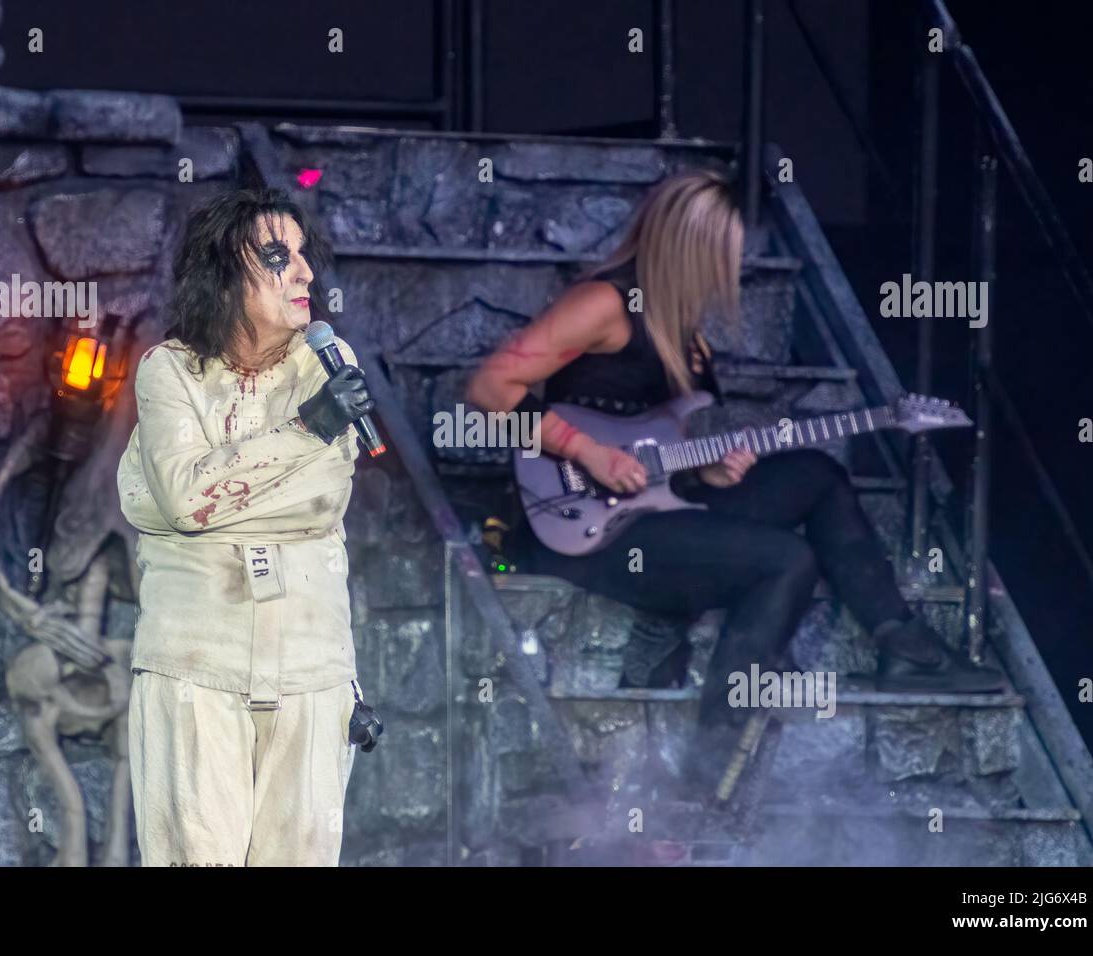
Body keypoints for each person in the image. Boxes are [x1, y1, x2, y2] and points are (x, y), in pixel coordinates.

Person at [465, 169, 1004, 786]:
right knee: (787, 560)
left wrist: (707, 473)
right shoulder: (605, 304)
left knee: (817, 474)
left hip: (653, 514)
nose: (730, 269)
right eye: (721, 253)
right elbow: (487, 389)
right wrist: (588, 452)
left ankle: (905, 648)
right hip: (583, 529)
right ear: (687, 248)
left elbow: (660, 460)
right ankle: (705, 778)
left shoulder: (688, 342)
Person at [117, 187, 374, 865]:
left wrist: (200, 503)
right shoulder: (169, 371)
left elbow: (321, 499)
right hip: (196, 664)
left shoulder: (327, 360)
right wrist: (305, 432)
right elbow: (180, 497)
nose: (305, 273)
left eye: (303, 255)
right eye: (276, 256)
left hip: (312, 668)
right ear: (225, 273)